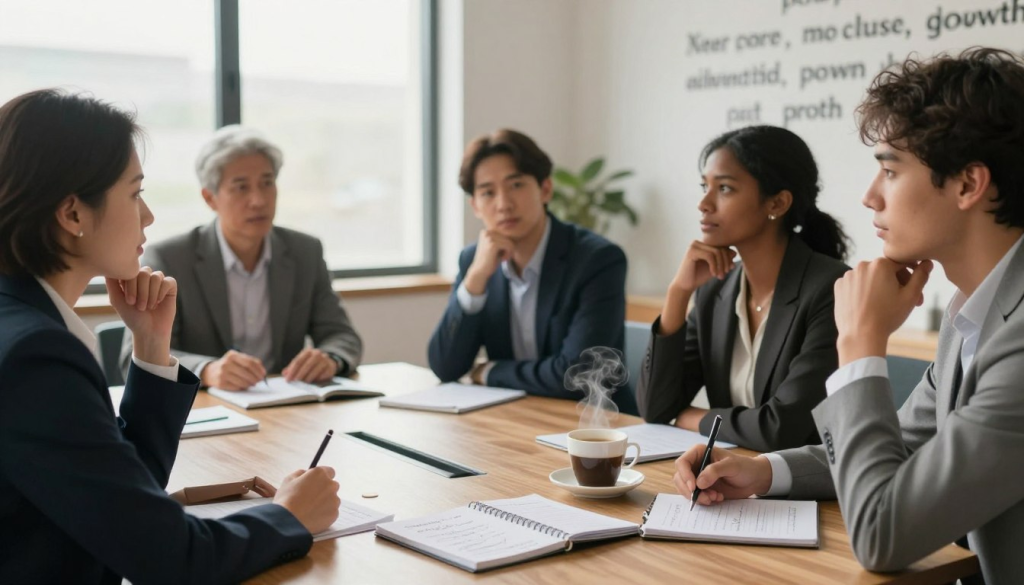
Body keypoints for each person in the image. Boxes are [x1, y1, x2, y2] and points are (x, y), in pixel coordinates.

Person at [672, 48, 1024, 584]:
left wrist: (861, 344)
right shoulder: (971, 309)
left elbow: (883, 535)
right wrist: (766, 470)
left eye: (889, 170)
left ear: (968, 184)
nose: (868, 197)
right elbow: (906, 442)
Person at [0, 90, 340, 583]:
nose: (149, 216)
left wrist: (152, 348)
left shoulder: (24, 324)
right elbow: (170, 558)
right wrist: (289, 516)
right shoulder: (36, 356)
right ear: (73, 215)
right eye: (135, 193)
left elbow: (128, 499)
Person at [636, 126, 850, 451]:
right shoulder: (714, 291)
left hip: (810, 490)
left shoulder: (830, 288)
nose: (703, 204)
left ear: (777, 203)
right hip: (732, 480)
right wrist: (678, 293)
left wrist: (693, 418)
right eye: (704, 187)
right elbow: (655, 407)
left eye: (724, 188)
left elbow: (779, 429)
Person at [119, 125, 362, 390]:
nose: (258, 200)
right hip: (207, 410)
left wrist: (331, 358)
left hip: (287, 406)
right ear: (210, 198)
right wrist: (207, 370)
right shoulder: (170, 259)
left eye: (267, 183)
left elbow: (342, 335)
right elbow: (135, 359)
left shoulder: (305, 252)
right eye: (241, 187)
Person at [427, 129, 634, 410]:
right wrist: (475, 279)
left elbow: (578, 375)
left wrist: (489, 371)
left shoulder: (597, 260)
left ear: (545, 189)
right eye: (488, 192)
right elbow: (445, 367)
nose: (503, 204)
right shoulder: (474, 261)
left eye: (516, 185)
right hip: (514, 419)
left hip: (592, 427)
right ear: (475, 206)